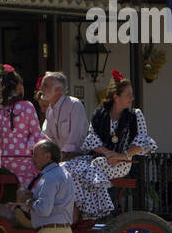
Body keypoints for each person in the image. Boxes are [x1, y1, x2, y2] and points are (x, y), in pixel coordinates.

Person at [65, 70, 157, 218]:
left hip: (122, 162)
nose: (132, 98)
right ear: (116, 96)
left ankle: (98, 210)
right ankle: (77, 207)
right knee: (67, 167)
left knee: (96, 166)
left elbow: (142, 142)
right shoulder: (100, 114)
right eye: (128, 94)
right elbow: (92, 139)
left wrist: (122, 155)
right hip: (100, 157)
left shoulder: (135, 115)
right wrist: (108, 153)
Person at [0, 64, 43, 185]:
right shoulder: (27, 107)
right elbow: (37, 135)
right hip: (23, 162)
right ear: (19, 87)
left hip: (1, 162)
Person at [40, 72, 89, 159]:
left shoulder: (74, 104)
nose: (41, 88)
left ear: (58, 89)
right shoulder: (49, 110)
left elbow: (76, 136)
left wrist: (63, 155)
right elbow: (49, 138)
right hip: (61, 159)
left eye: (45, 85)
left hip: (77, 159)